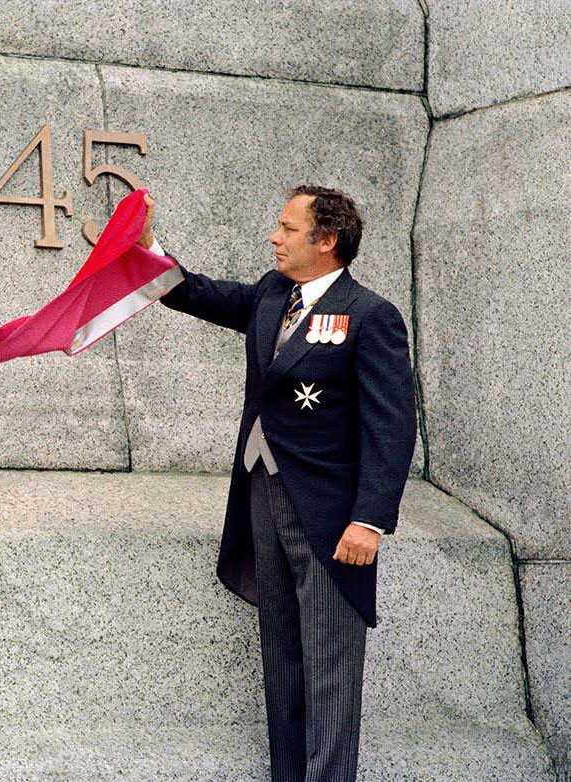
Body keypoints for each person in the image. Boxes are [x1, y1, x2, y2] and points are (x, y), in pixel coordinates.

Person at [141, 187, 416, 781]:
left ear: (327, 241)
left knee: (330, 668)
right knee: (283, 657)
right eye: (279, 226)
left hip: (331, 516)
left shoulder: (371, 315)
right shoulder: (272, 295)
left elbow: (392, 428)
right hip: (263, 493)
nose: (275, 237)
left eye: (289, 229)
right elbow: (195, 293)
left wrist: (369, 521)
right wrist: (147, 248)